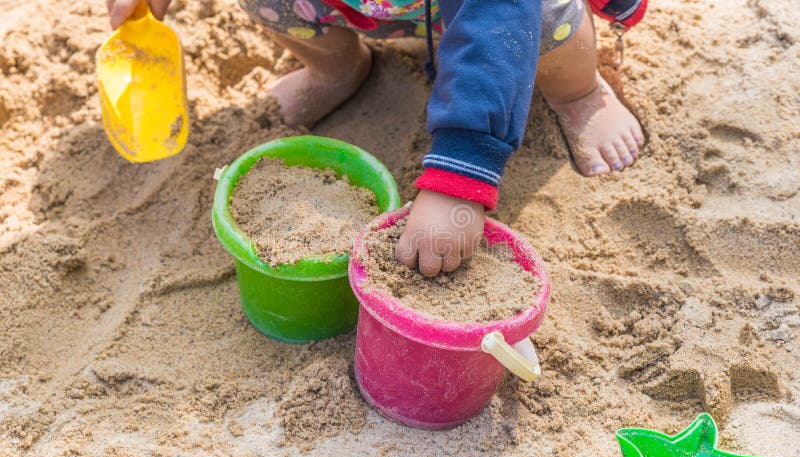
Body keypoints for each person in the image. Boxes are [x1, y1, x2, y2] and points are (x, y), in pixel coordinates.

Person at [107, 0, 646, 277]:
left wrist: (461, 174)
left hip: (501, 19)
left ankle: (580, 93)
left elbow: (497, 22)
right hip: (366, 9)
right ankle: (337, 69)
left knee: (546, 20)